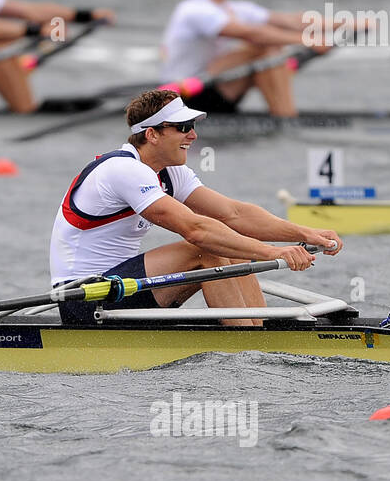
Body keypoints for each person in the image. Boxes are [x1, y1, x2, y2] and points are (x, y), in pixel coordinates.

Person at [49, 89, 342, 325]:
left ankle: (258, 331)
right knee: (206, 248)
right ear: (152, 134)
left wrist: (306, 232)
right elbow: (196, 230)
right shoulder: (122, 170)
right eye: (183, 127)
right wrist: (274, 251)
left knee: (231, 243)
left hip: (119, 292)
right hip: (85, 302)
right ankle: (248, 349)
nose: (193, 135)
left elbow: (234, 214)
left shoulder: (168, 170)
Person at [159, 0, 346, 117]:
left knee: (271, 50)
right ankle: (286, 117)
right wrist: (306, 40)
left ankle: (284, 115)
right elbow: (251, 33)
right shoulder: (193, 9)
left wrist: (353, 23)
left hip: (216, 87)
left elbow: (291, 20)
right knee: (263, 47)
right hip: (185, 97)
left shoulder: (235, 8)